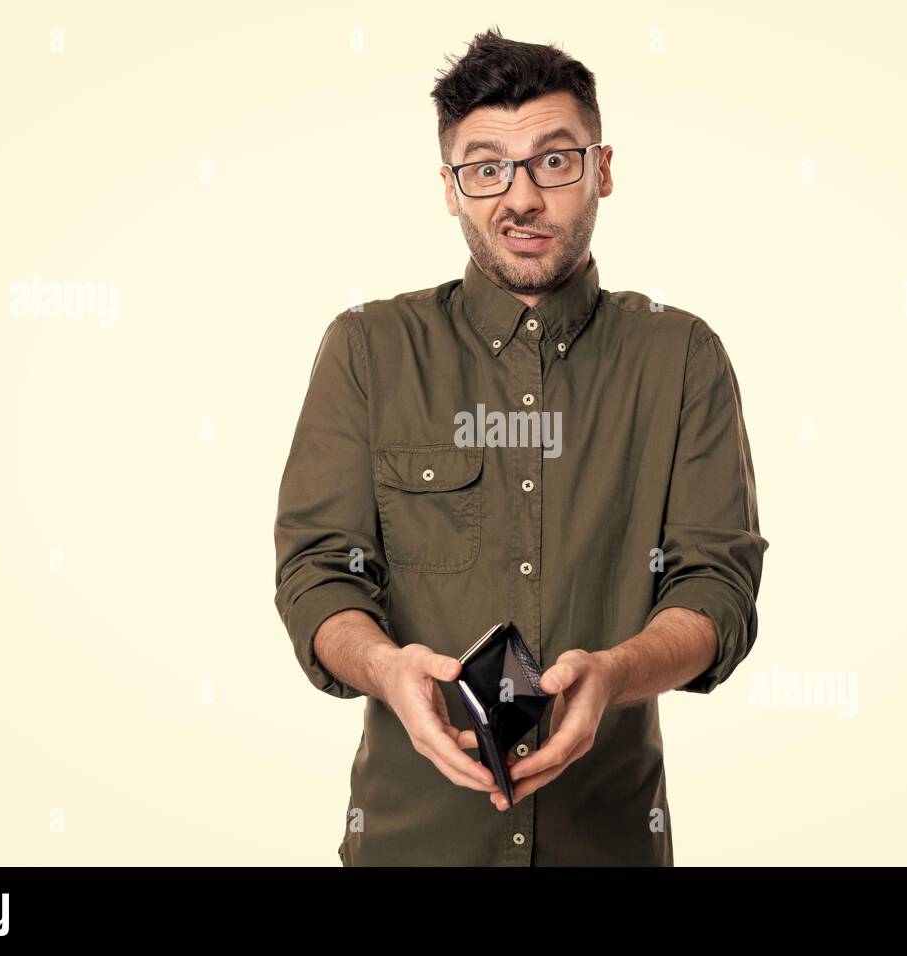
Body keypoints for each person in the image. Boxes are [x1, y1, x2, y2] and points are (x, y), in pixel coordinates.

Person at [273, 26, 769, 865]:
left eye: (554, 160)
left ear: (601, 169)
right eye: (486, 167)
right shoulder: (368, 349)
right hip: (410, 847)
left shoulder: (680, 356)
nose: (522, 197)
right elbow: (317, 573)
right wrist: (389, 667)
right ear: (450, 187)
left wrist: (613, 672)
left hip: (608, 845)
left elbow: (717, 585)